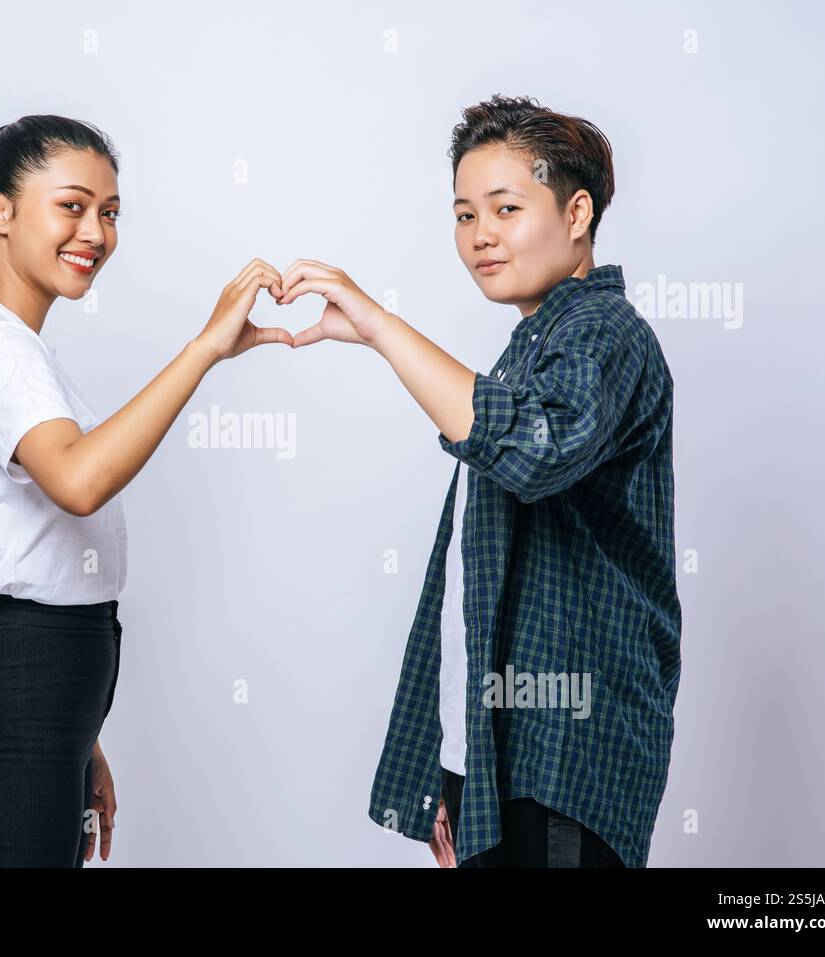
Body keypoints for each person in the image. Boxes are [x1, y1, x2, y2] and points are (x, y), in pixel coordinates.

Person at [274, 94, 681, 867]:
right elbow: (474, 581)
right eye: (464, 215)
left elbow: (535, 449)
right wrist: (456, 763)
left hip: (568, 752)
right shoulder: (529, 347)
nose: (480, 236)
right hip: (501, 753)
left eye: (505, 207)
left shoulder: (606, 333)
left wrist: (379, 323)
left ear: (578, 212)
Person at [0, 115, 292, 866]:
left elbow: (43, 557)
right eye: (73, 205)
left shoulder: (20, 349)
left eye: (111, 212)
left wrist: (80, 735)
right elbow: (80, 482)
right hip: (23, 688)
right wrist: (205, 347)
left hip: (44, 694)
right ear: (0, 210)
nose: (96, 231)